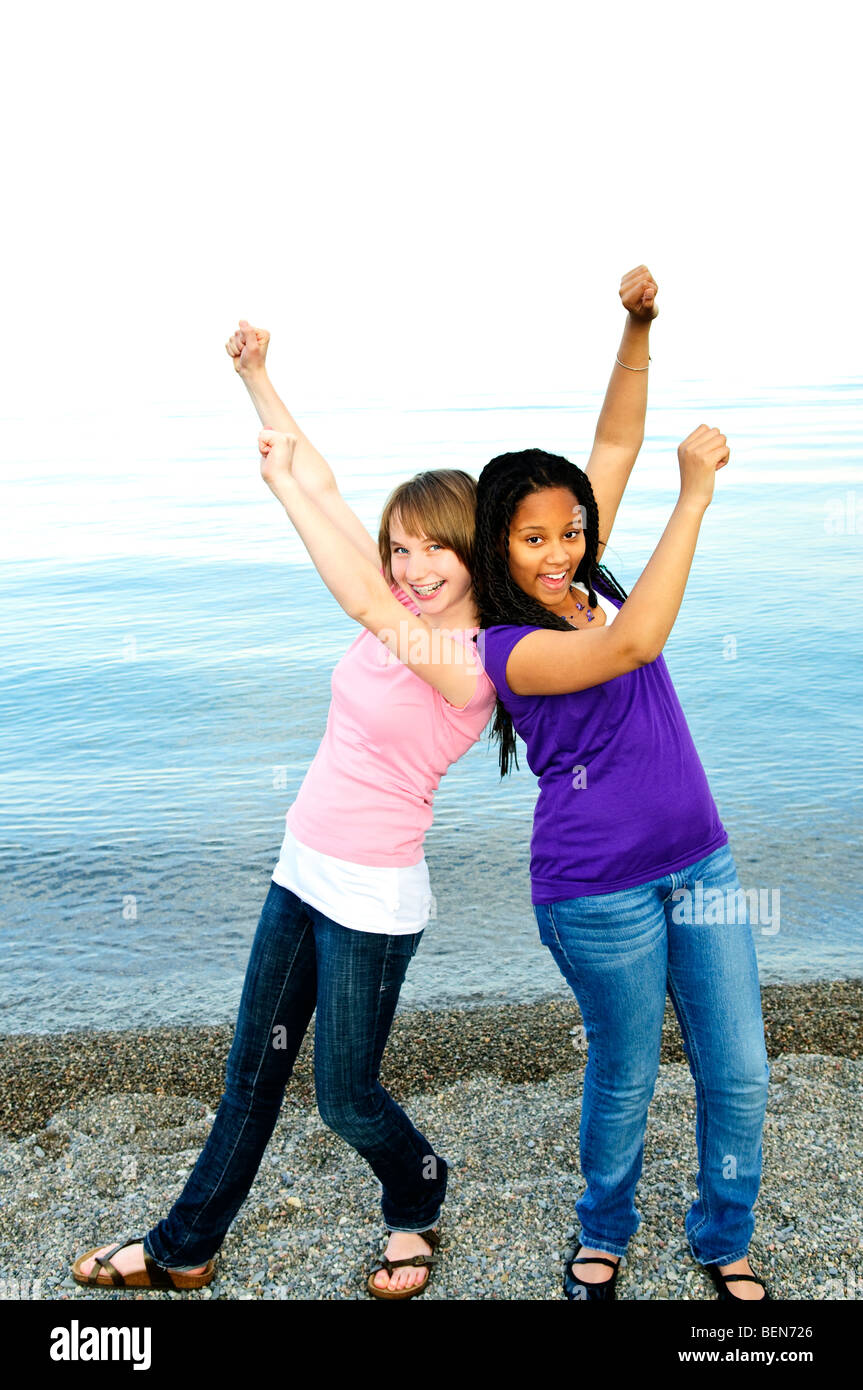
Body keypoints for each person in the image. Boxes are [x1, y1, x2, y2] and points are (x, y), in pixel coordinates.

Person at [72, 328, 498, 1300]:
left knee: (344, 1100)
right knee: (249, 1079)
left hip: (373, 902)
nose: (413, 563)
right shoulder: (400, 594)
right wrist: (257, 380)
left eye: (437, 546)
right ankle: (184, 1245)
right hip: (301, 865)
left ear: (474, 552)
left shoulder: (475, 662)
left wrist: (280, 495)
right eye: (402, 545)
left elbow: (357, 594)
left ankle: (418, 1185)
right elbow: (325, 482)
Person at [472, 324, 772, 1300]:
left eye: (569, 532)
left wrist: (636, 329)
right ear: (496, 547)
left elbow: (614, 442)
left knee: (738, 1073)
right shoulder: (505, 645)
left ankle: (723, 1236)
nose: (557, 552)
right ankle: (602, 1231)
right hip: (595, 893)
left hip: (703, 863)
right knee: (626, 1073)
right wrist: (694, 497)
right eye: (531, 538)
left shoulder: (587, 575)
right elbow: (636, 646)